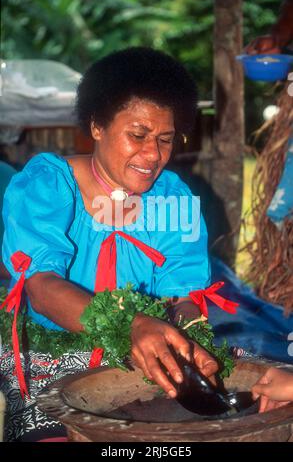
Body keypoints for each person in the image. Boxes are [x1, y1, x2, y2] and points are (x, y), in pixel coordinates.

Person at [1, 47, 231, 439]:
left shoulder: (173, 199)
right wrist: (131, 326)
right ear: (96, 125)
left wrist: (187, 345)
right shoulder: (47, 185)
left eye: (165, 139)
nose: (153, 154)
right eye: (138, 135)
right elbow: (41, 288)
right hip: (49, 358)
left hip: (140, 358)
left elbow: (181, 294)